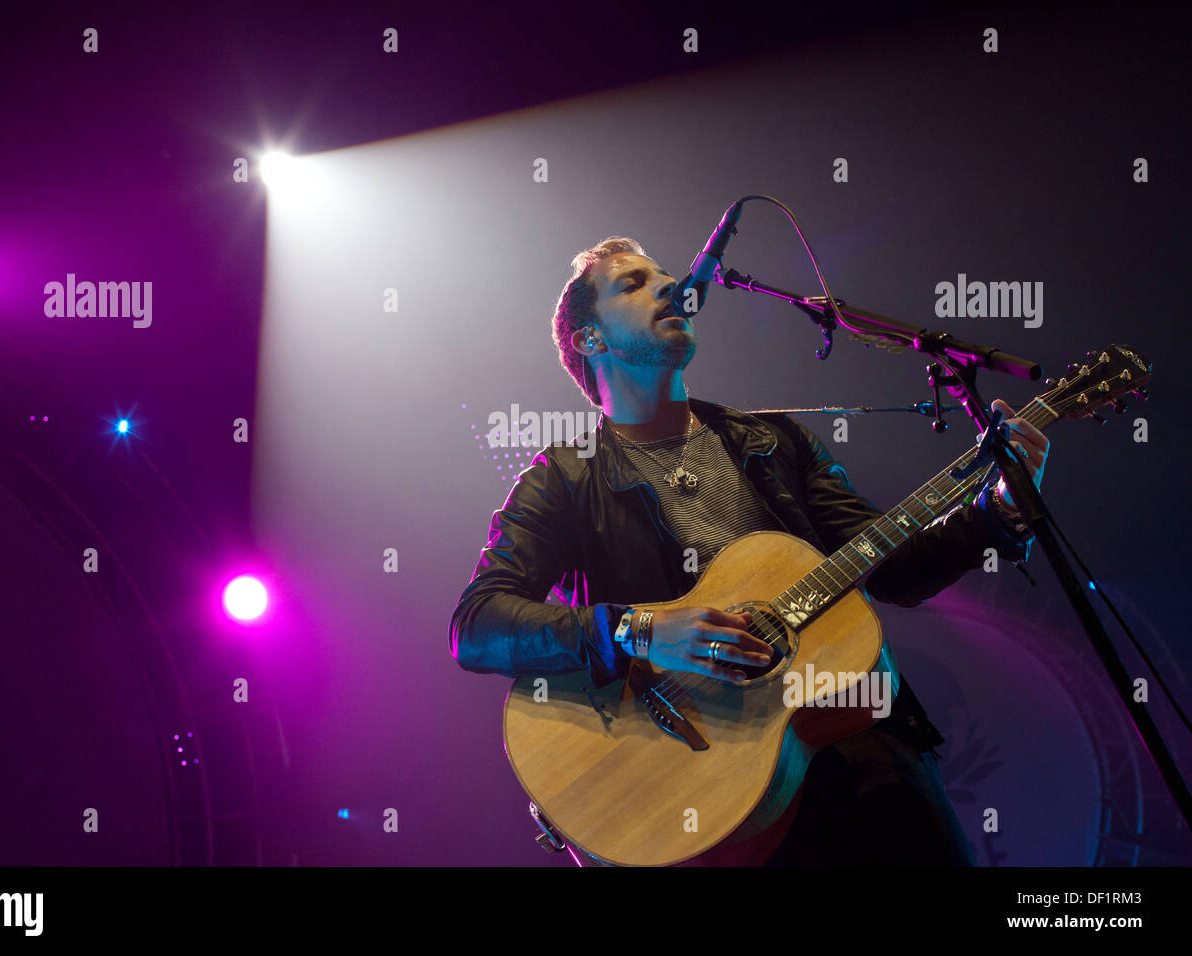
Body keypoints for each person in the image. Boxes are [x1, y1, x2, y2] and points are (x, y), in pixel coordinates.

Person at [448, 237, 1048, 866]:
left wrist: (998, 510)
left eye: (666, 276)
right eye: (633, 284)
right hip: (701, 788)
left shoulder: (774, 442)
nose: (670, 286)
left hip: (863, 753)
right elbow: (477, 626)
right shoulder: (564, 477)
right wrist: (641, 630)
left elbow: (894, 569)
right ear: (590, 340)